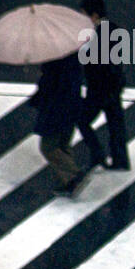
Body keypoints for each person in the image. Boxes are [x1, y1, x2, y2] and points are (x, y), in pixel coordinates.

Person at [76, 0, 130, 170]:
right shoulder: (113, 29)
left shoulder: (94, 34)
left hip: (99, 88)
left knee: (82, 120)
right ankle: (120, 160)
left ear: (94, 15)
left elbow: (96, 61)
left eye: (84, 14)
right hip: (113, 87)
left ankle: (97, 154)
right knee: (116, 125)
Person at [31, 51, 89, 197]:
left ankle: (74, 176)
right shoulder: (73, 60)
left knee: (48, 147)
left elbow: (48, 87)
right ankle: (67, 182)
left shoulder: (54, 66)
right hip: (72, 107)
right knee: (62, 144)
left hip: (56, 111)